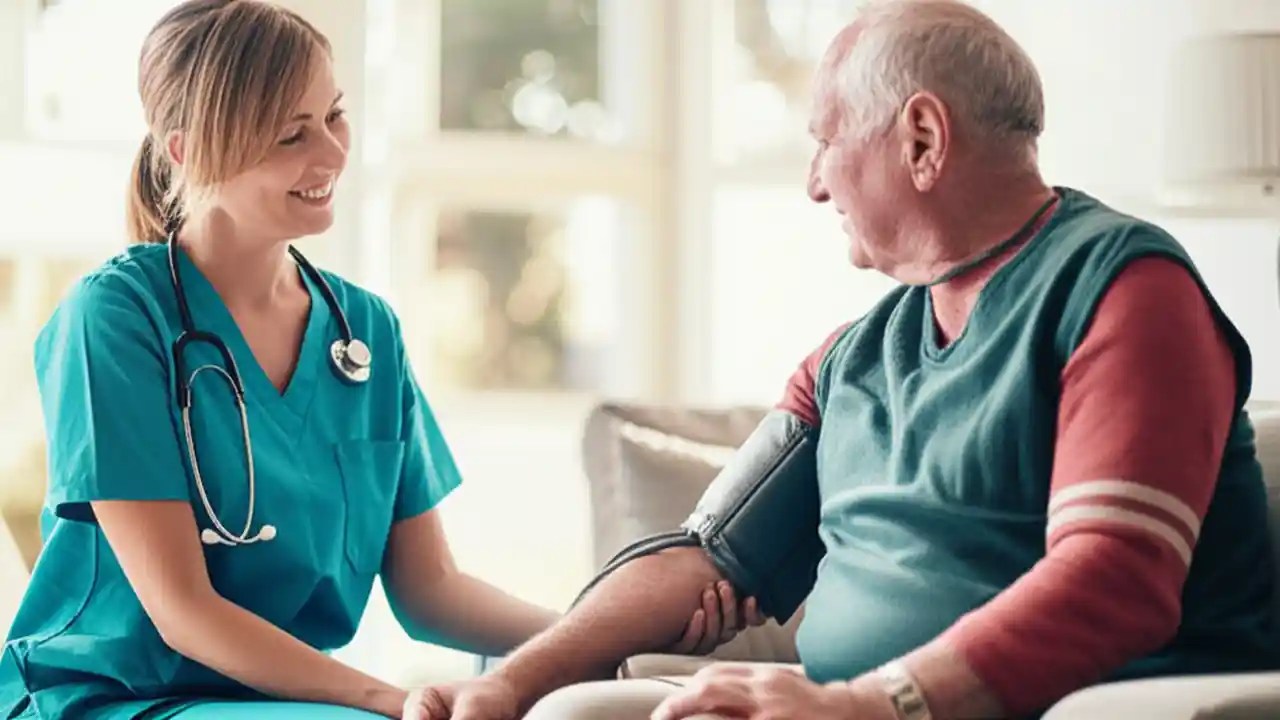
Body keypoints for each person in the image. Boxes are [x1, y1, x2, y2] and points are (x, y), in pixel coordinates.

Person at [420, 1, 1280, 719]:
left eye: (826, 140)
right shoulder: (849, 360)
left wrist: (877, 703)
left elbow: (1115, 584)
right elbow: (704, 557)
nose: (814, 184)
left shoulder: (1124, 290)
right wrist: (508, 686)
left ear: (921, 138)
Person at [0, 2, 733, 718]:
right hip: (119, 697)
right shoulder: (117, 317)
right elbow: (182, 612)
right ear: (186, 150)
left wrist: (612, 636)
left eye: (334, 116)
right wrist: (387, 698)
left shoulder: (364, 332)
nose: (330, 154)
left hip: (288, 700)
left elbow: (431, 590)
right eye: (291, 136)